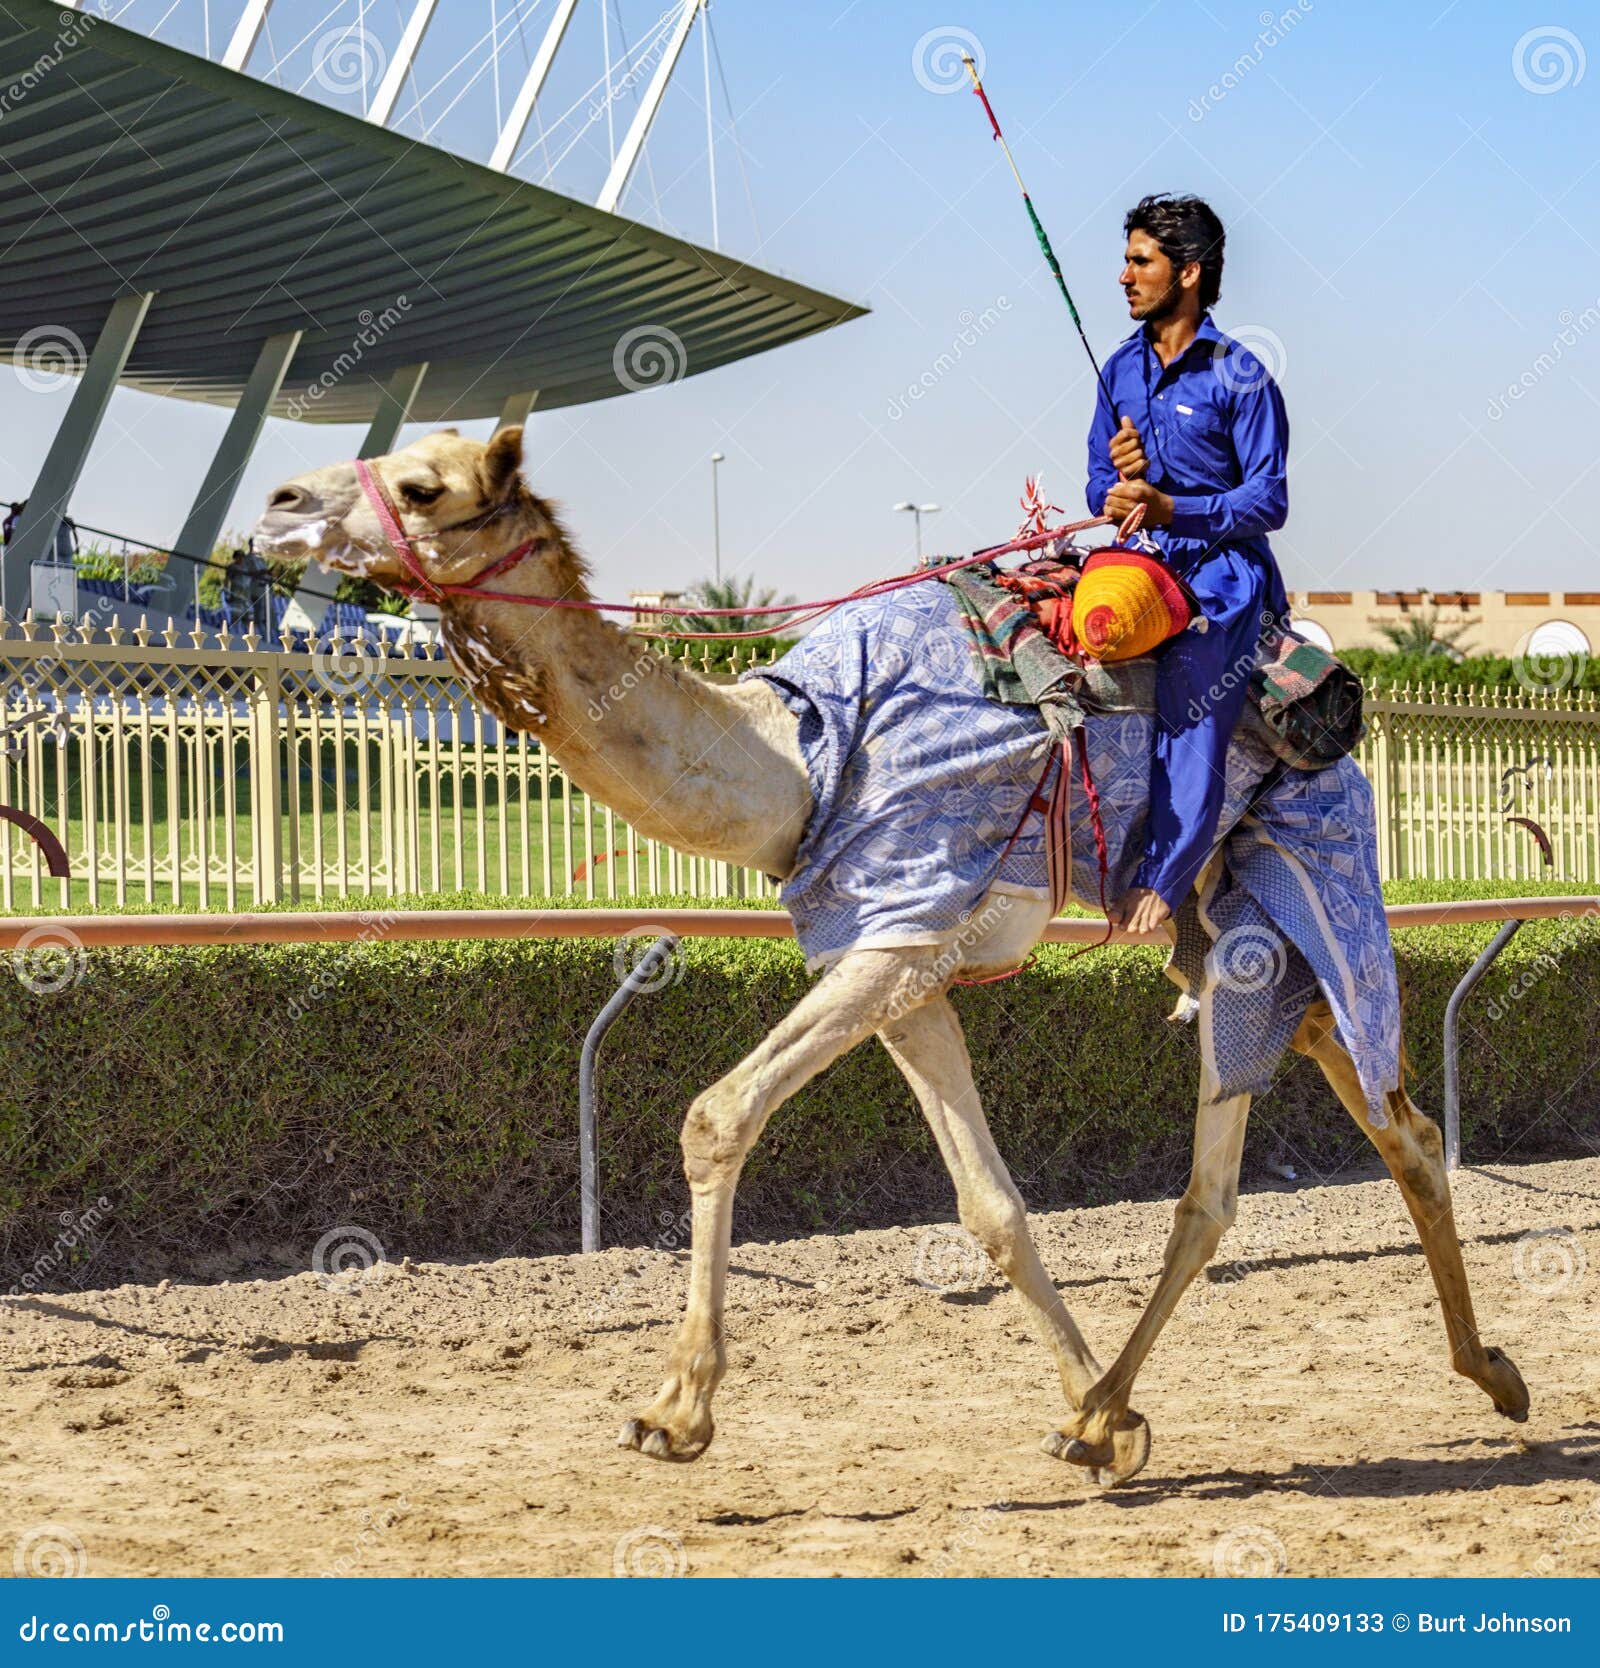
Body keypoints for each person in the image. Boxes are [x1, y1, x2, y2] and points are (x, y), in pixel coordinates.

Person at [1084, 193, 1290, 937]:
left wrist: (1174, 508)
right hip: (1139, 567)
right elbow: (1095, 490)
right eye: (1127, 259)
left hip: (1225, 581)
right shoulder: (1117, 371)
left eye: (1142, 261)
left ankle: (1165, 873)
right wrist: (1115, 487)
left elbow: (1269, 499)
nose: (1124, 276)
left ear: (1190, 273)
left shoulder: (1242, 376)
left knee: (1192, 687)